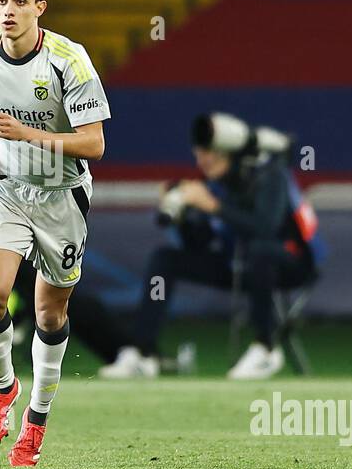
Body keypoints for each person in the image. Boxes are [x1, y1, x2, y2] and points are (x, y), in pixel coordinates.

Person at [0, 0, 110, 467]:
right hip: (7, 190)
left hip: (62, 198)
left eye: (20, 2)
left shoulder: (68, 61)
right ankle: (3, 391)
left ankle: (36, 421)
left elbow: (94, 144)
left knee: (50, 313)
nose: (9, 11)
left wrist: (29, 135)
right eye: (2, 0)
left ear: (39, 8)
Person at [101, 113, 322, 380]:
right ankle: (142, 353)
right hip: (239, 265)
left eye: (208, 153)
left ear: (229, 152)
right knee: (165, 259)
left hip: (291, 262)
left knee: (259, 250)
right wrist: (182, 217)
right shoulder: (216, 187)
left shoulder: (269, 175)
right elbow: (200, 243)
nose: (201, 160)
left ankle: (266, 348)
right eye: (198, 153)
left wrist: (213, 207)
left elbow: (266, 229)